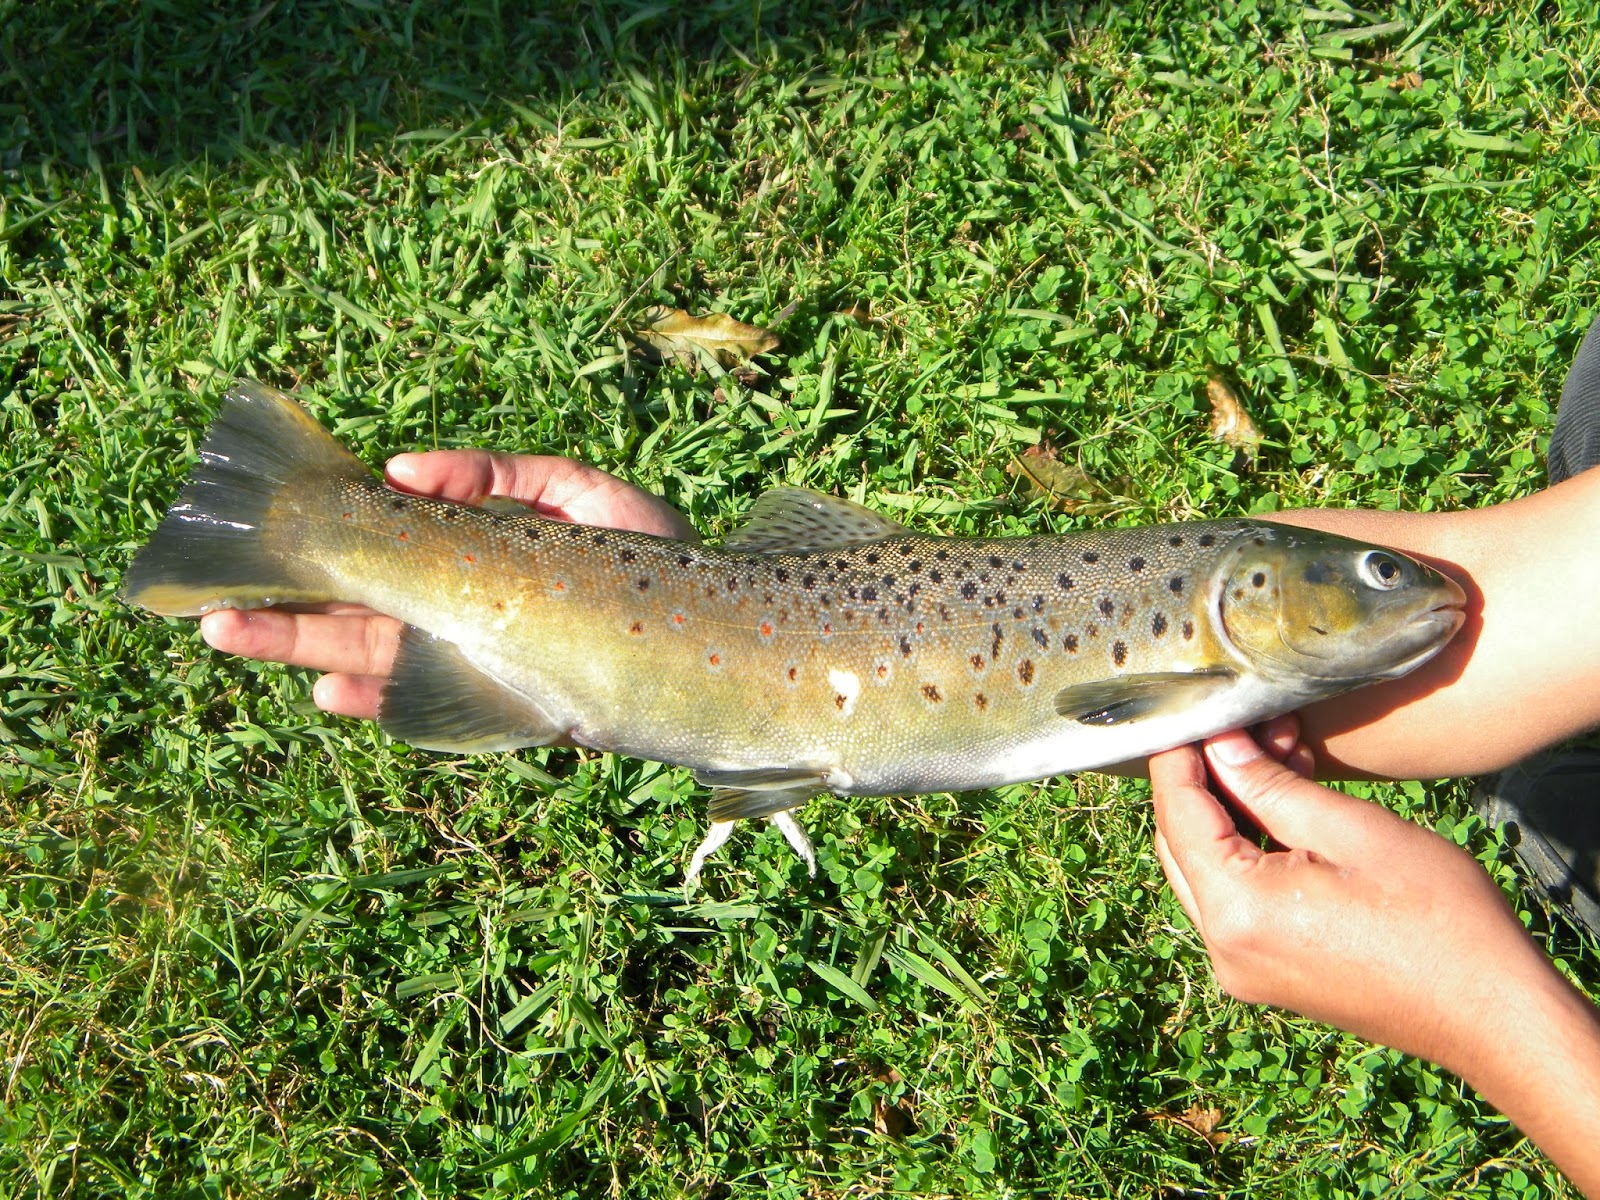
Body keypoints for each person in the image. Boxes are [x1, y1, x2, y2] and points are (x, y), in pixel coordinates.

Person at [195, 326, 1600, 1188]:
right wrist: (676, 610)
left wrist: (1498, 1020)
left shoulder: (1226, 630)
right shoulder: (1224, 620)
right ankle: (304, 516)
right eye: (1365, 572)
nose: (1415, 586)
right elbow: (1542, 593)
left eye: (1374, 572)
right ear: (1235, 599)